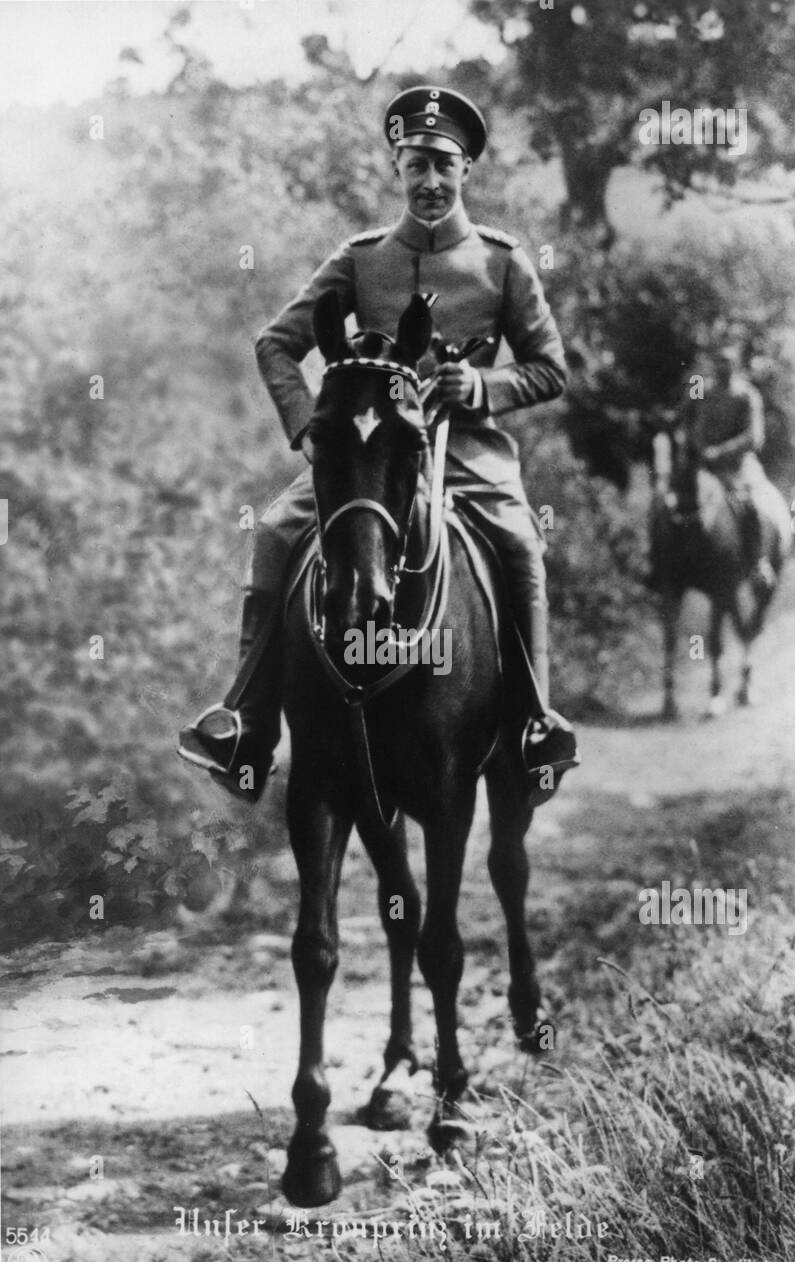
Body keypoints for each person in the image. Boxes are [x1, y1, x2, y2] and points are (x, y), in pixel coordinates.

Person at [178, 85, 580, 803]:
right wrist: (309, 427)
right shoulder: (361, 260)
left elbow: (550, 369)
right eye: (414, 164)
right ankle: (247, 724)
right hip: (365, 462)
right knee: (273, 531)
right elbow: (276, 344)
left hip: (468, 463)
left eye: (443, 165)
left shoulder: (502, 262)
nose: (429, 181)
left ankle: (532, 726)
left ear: (465, 171)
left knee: (519, 546)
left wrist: (482, 389)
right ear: (395, 168)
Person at [689, 344, 777, 596]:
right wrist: (700, 446)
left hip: (738, 466)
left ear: (735, 365)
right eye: (717, 361)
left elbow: (754, 436)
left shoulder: (747, 394)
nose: (721, 367)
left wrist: (722, 451)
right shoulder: (701, 389)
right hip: (704, 463)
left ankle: (759, 561)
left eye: (726, 362)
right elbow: (692, 419)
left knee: (750, 504)